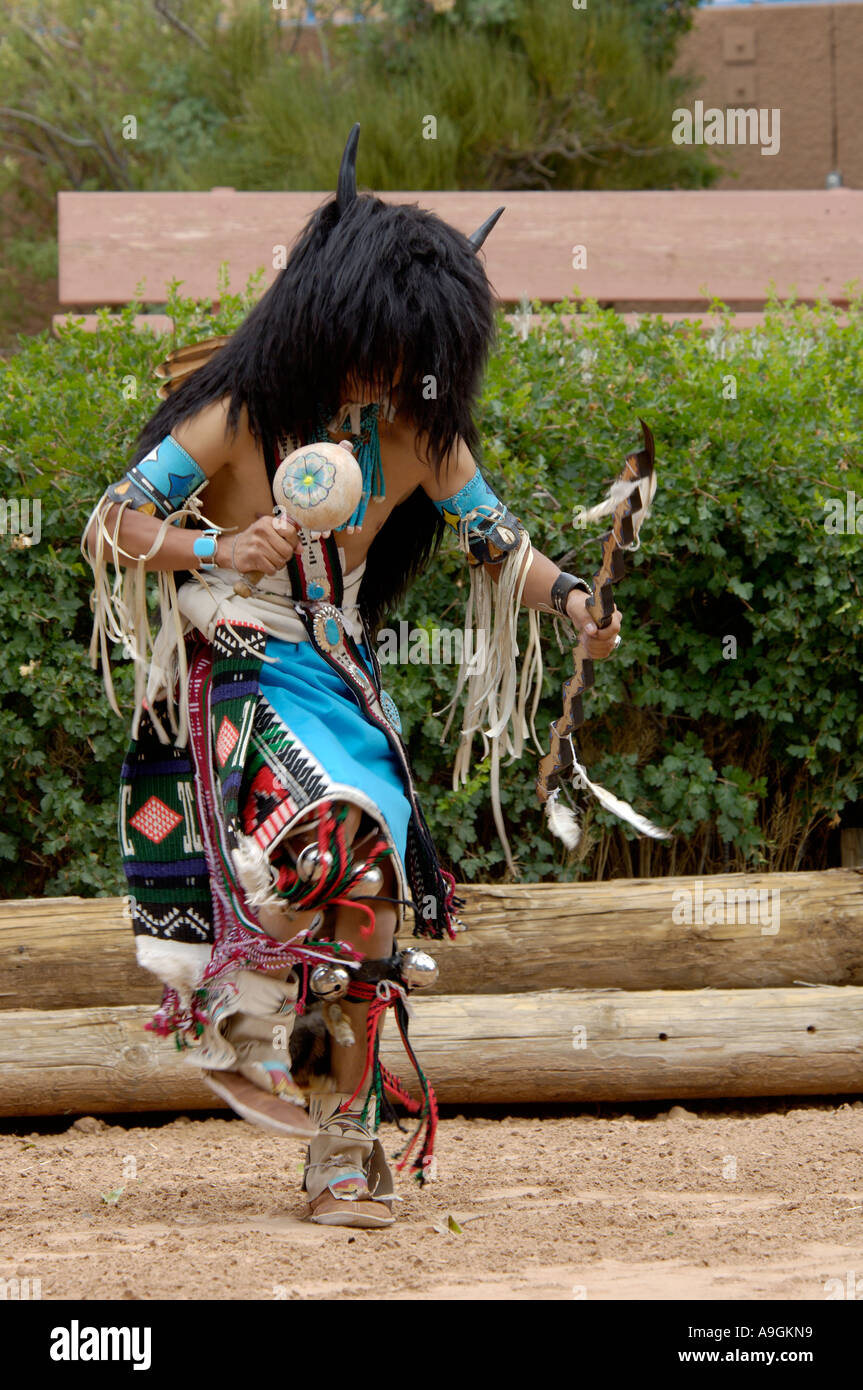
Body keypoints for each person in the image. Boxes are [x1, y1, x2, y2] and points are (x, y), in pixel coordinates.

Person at [82, 125, 621, 1229]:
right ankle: (242, 994)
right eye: (378, 345)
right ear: (334, 321)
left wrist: (568, 598)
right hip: (237, 672)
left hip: (338, 680)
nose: (388, 374)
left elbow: (495, 545)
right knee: (330, 832)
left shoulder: (419, 434)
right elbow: (112, 522)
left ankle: (342, 1142)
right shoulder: (235, 416)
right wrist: (213, 551)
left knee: (369, 891)